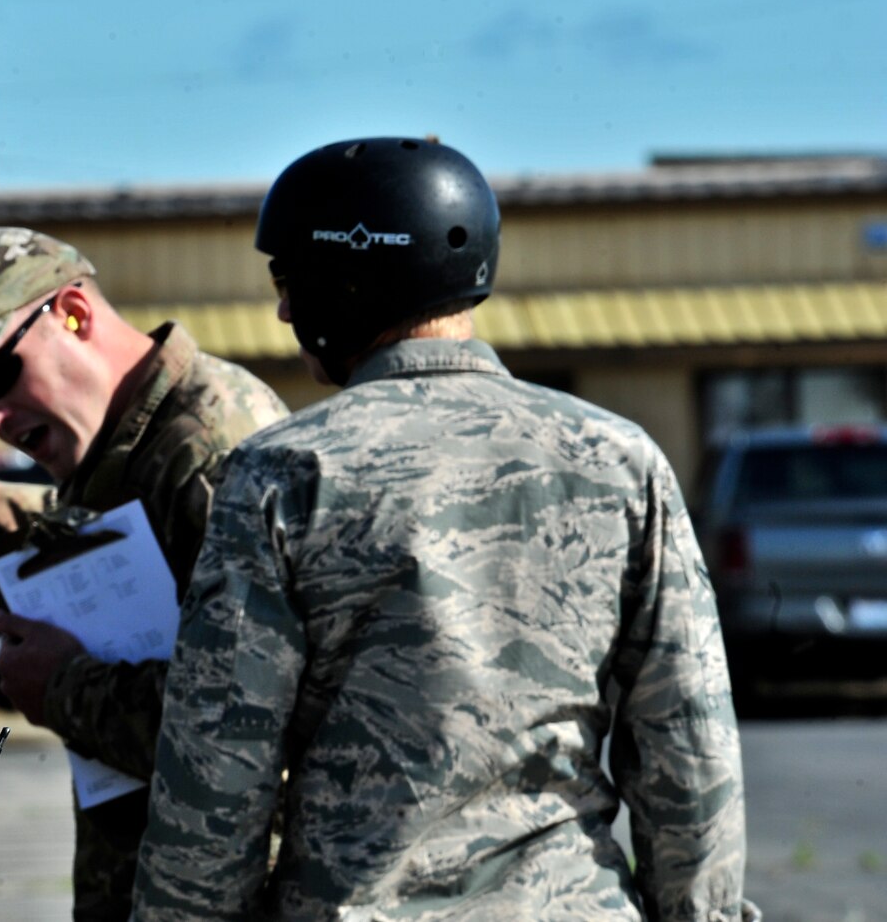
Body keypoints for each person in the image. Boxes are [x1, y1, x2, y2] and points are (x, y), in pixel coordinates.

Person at [133, 137, 756, 921]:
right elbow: (690, 748)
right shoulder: (620, 458)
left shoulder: (284, 473)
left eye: (288, 280)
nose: (284, 309)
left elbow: (215, 774)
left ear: (349, 276)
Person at [0, 227, 289, 922]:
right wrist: (16, 515)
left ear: (72, 314)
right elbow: (137, 547)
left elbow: (253, 731)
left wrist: (64, 688)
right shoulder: (125, 445)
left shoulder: (211, 450)